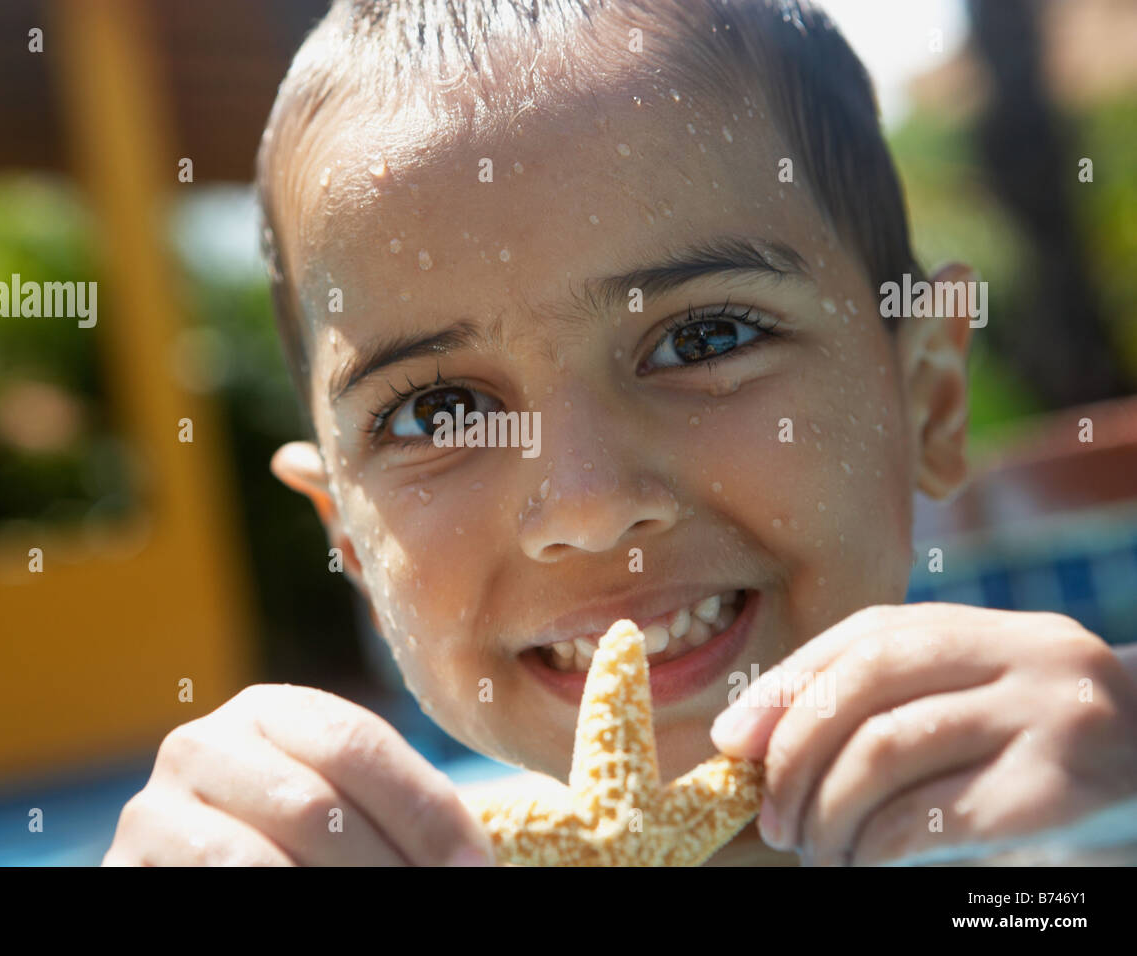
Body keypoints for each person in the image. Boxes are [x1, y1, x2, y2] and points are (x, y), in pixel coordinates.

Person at [104, 0, 1137, 866]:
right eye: (437, 412)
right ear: (351, 546)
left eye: (701, 337)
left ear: (929, 398)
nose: (591, 504)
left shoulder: (1066, 823)